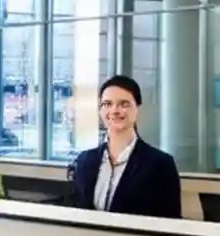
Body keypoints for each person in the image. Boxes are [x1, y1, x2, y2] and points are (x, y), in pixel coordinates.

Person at [70, 75, 182, 218]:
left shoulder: (160, 165)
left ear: (137, 109)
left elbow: (170, 222)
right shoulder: (85, 161)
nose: (115, 110)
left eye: (124, 104)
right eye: (107, 104)